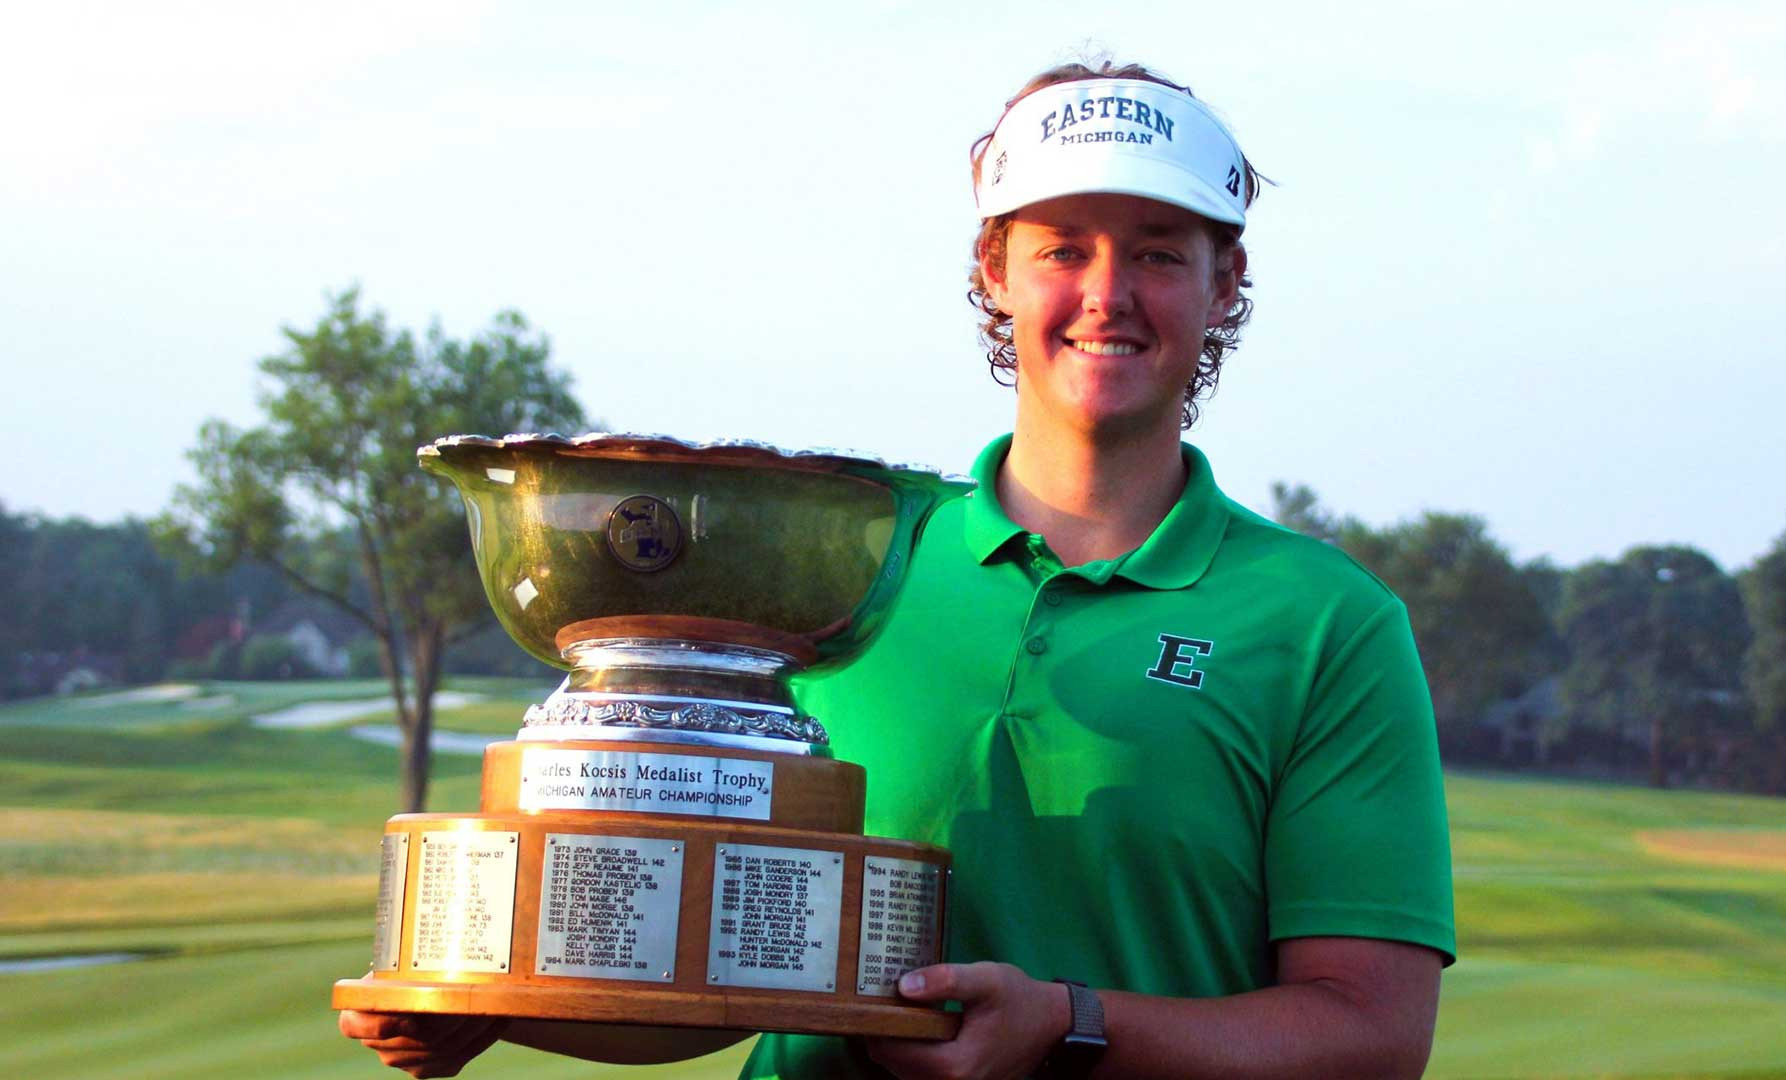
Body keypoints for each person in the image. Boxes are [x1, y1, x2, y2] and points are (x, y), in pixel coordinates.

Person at [343, 59, 1454, 1080]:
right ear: (997, 270)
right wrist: (492, 1004)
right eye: (1063, 246)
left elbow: (1371, 1034)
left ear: (1224, 281)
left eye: (1159, 250)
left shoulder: (1328, 625)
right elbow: (722, 956)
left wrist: (1067, 1021)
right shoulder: (845, 564)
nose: (1108, 292)